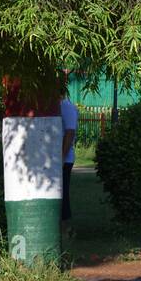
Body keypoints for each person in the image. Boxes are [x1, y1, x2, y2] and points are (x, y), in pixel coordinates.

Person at [59, 82, 78, 226]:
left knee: (63, 192)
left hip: (64, 159)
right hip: (58, 158)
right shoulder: (56, 106)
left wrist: (62, 157)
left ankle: (65, 224)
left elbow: (70, 132)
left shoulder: (65, 106)